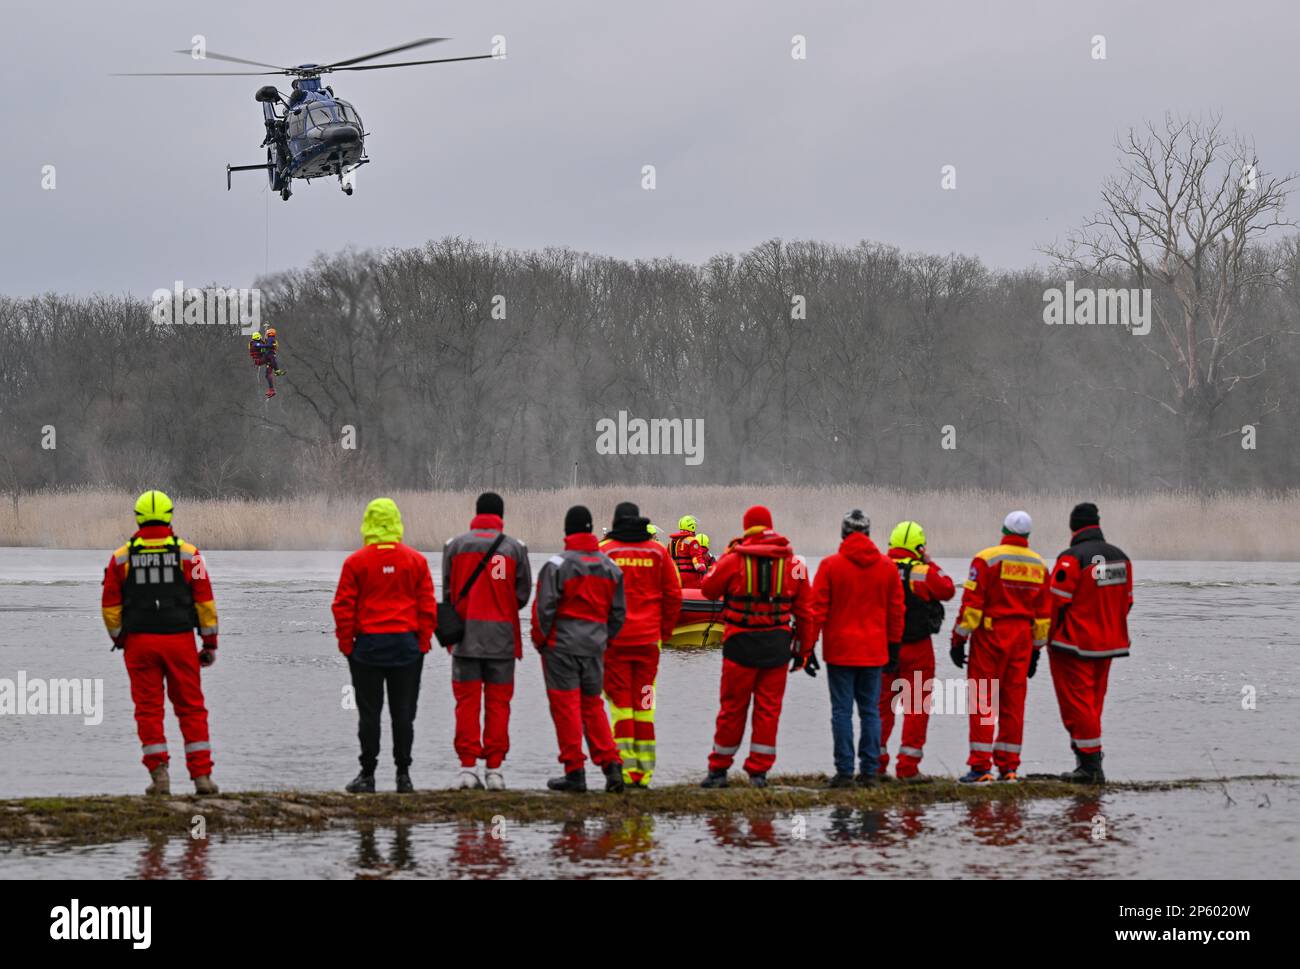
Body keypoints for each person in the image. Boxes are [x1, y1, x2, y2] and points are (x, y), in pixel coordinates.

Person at [100, 490, 220, 796]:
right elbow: (205, 602)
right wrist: (209, 644)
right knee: (191, 708)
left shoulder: (121, 558)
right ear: (170, 516)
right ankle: (202, 778)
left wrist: (121, 639)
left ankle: (159, 777)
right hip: (180, 641)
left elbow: (111, 609)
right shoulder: (190, 555)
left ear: (138, 517)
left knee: (148, 710)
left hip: (139, 644)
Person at [700, 505, 814, 788]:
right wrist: (804, 652)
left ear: (746, 527)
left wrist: (726, 554)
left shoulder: (734, 559)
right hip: (776, 648)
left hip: (739, 646)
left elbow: (708, 588)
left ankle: (718, 771)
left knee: (731, 709)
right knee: (768, 711)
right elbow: (807, 614)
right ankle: (759, 773)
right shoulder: (794, 564)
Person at [332, 498, 437, 794]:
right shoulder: (416, 561)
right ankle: (403, 775)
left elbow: (343, 606)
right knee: (404, 713)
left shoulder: (356, 562)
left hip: (368, 647)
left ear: (368, 522)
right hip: (406, 646)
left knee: (369, 714)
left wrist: (346, 645)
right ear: (396, 522)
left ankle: (367, 774)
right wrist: (424, 641)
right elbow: (427, 605)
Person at [531, 505, 627, 793]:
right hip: (594, 648)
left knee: (566, 708)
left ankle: (575, 771)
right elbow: (618, 614)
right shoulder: (611, 568)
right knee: (592, 705)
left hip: (561, 648)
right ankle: (612, 767)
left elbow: (543, 611)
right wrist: (603, 640)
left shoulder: (557, 565)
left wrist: (541, 642)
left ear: (566, 531)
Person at [950, 511, 1051, 783]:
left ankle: (981, 768)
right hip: (1021, 640)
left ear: (1004, 530)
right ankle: (1009, 768)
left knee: (983, 701)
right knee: (1013, 705)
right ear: (1028, 536)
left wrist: (958, 640)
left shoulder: (986, 559)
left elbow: (972, 606)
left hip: (990, 636)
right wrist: (1036, 651)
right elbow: (1043, 616)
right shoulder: (1039, 565)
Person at [806, 510, 904, 788]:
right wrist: (894, 647)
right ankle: (870, 771)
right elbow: (897, 611)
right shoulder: (887, 568)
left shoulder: (830, 566)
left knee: (841, 711)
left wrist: (808, 646)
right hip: (874, 651)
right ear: (869, 534)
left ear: (843, 534)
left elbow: (817, 610)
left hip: (840, 652)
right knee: (871, 711)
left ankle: (845, 771)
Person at [442, 492, 532, 790]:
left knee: (466, 703)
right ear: (501, 516)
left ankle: (467, 768)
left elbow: (448, 595)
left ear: (476, 513)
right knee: (498, 705)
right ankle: (494, 770)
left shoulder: (454, 546)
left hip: (465, 640)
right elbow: (521, 596)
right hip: (502, 641)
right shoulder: (515, 548)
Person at [1046, 502, 1133, 784]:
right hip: (1109, 645)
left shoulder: (1071, 559)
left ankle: (1090, 766)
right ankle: (1090, 762)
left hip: (1074, 646)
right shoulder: (1121, 558)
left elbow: (1055, 603)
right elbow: (1126, 601)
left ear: (1073, 526)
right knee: (1094, 703)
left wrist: (1044, 639)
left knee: (1078, 705)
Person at [599, 501, 682, 787]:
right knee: (645, 706)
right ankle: (643, 773)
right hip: (649, 642)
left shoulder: (605, 552)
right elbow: (674, 595)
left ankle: (623, 769)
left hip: (615, 641)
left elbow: (595, 596)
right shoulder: (659, 552)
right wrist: (665, 632)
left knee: (621, 706)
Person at [879, 520, 956, 781]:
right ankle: (908, 767)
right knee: (915, 709)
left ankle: (875, 766)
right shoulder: (922, 572)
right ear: (919, 547)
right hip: (918, 648)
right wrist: (930, 561)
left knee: (881, 708)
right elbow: (947, 589)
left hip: (884, 649)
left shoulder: (881, 567)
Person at [667, 514, 709, 588]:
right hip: (690, 578)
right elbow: (697, 560)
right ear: (692, 526)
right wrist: (704, 571)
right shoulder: (693, 541)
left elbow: (668, 561)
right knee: (693, 598)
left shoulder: (671, 543)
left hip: (676, 577)